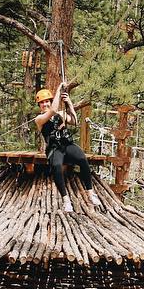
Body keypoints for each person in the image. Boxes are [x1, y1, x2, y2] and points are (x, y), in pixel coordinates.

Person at [33, 81, 100, 213]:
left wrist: (69, 103)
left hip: (66, 144)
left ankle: (90, 193)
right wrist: (59, 89)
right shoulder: (39, 119)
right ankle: (66, 200)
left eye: (47, 101)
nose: (45, 104)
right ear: (39, 105)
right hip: (54, 148)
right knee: (57, 166)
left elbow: (74, 121)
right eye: (42, 102)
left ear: (51, 101)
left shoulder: (61, 114)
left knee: (82, 158)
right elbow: (52, 111)